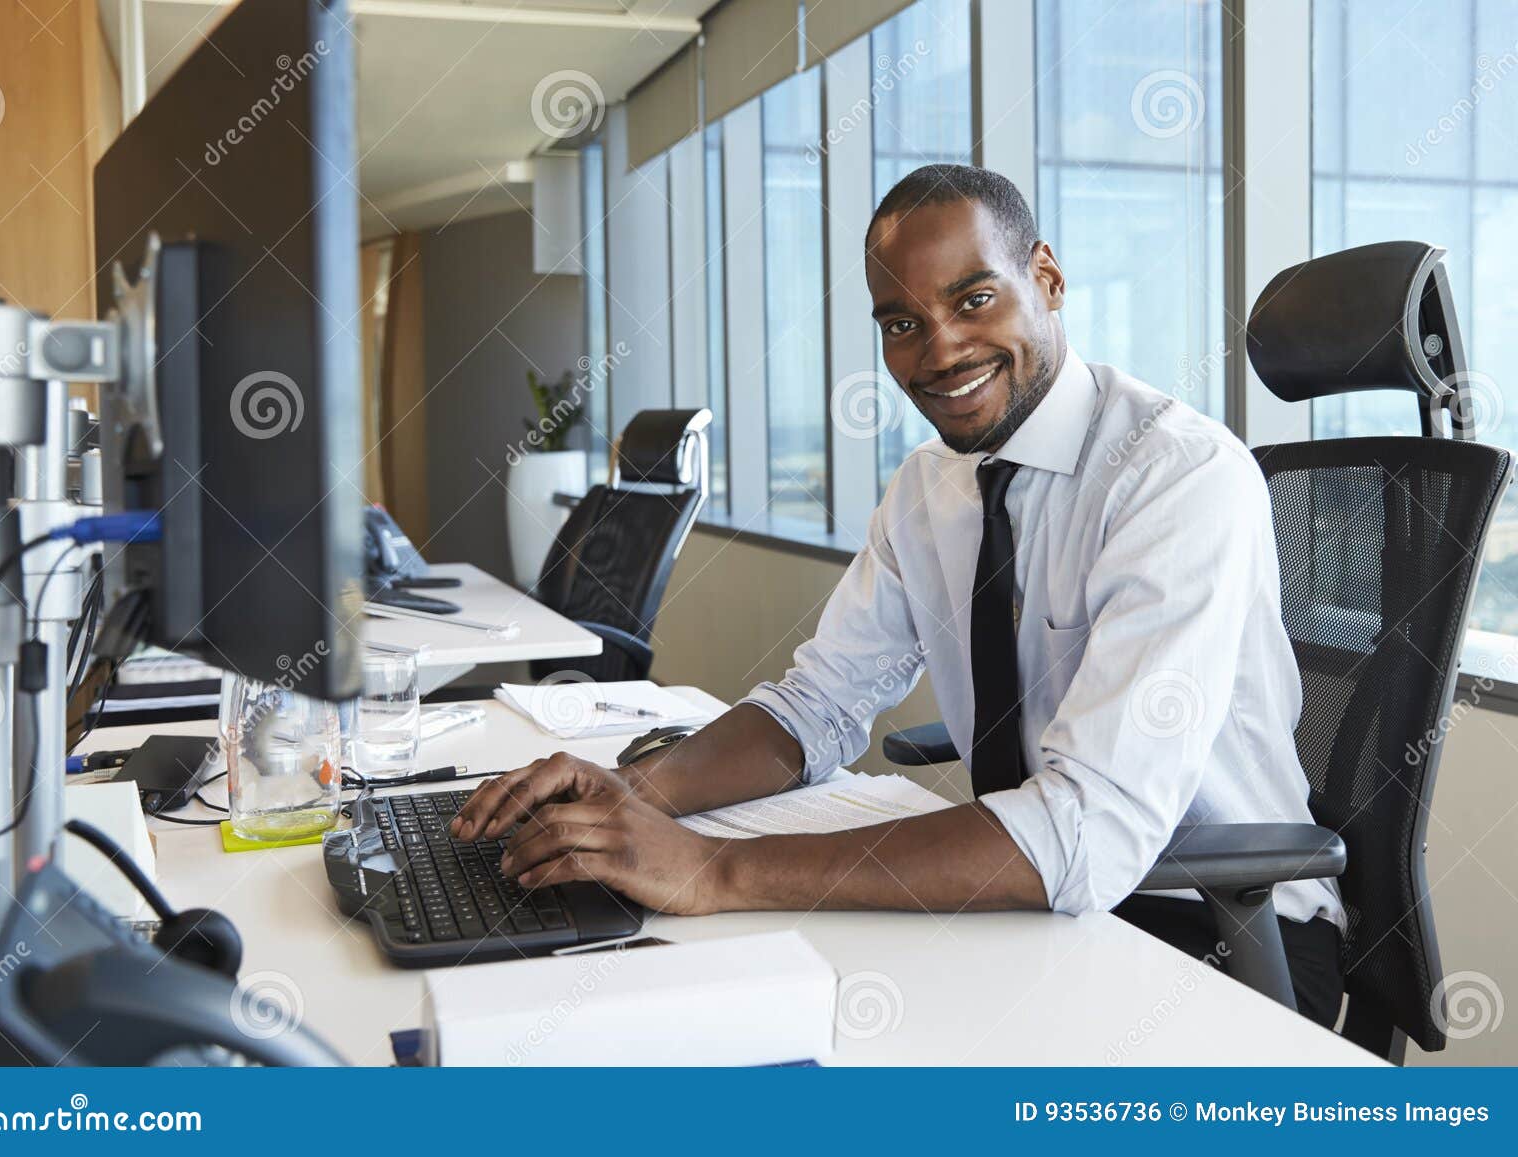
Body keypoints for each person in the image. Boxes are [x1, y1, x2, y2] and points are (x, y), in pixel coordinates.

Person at [452, 164, 1345, 1024]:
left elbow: (1087, 829)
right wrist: (629, 795)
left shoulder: (1175, 476)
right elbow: (815, 705)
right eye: (903, 323)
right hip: (1042, 906)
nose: (940, 350)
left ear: (1047, 277)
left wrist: (713, 869)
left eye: (974, 299)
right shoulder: (929, 484)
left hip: (1219, 929)